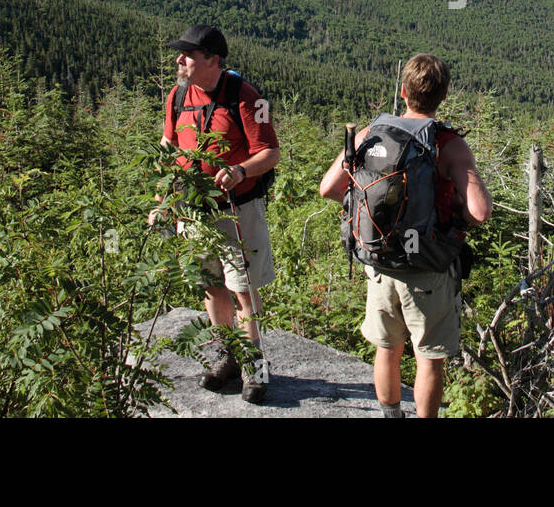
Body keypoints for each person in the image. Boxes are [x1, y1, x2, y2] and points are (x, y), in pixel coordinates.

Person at [318, 53, 491, 418]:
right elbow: (480, 213)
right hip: (427, 267)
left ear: (403, 91)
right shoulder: (448, 144)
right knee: (428, 360)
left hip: (379, 261)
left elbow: (329, 188)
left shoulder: (369, 133)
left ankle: (391, 414)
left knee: (387, 349)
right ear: (443, 97)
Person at [155, 23, 280, 404]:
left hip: (236, 210)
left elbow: (270, 153)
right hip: (194, 210)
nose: (180, 60)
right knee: (211, 284)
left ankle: (254, 367)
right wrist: (163, 202)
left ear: (212, 59)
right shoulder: (178, 96)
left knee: (243, 290)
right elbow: (167, 147)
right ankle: (228, 355)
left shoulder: (245, 96)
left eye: (188, 55)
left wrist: (241, 169)